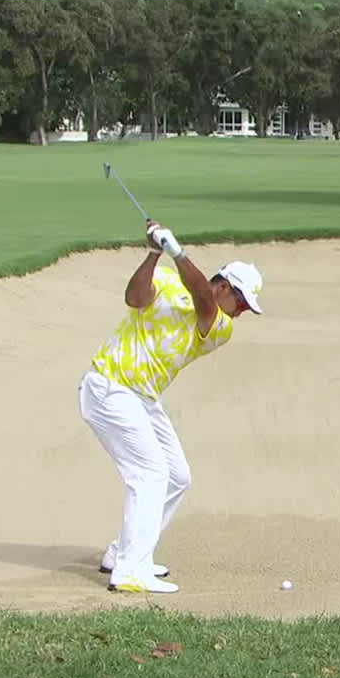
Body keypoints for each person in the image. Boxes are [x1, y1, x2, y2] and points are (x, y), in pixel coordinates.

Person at [78, 221, 265, 594]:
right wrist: (154, 253)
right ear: (224, 287)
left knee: (177, 477)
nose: (241, 312)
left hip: (142, 398)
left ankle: (123, 553)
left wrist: (176, 251)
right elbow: (135, 298)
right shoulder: (166, 279)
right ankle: (130, 570)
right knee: (150, 474)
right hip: (111, 386)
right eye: (242, 302)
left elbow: (202, 297)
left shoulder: (220, 325)